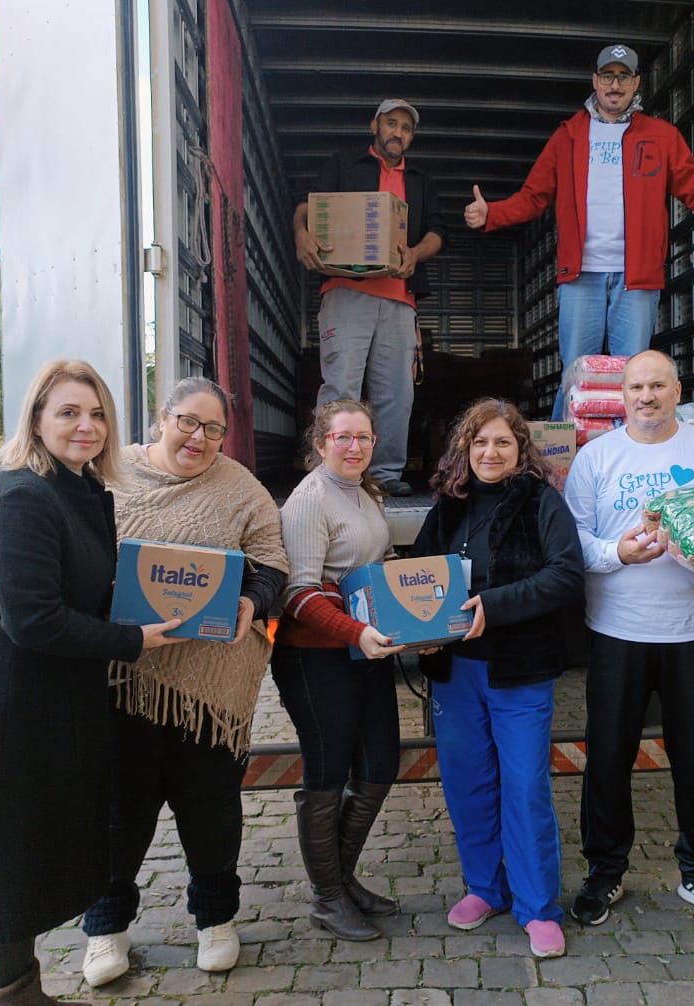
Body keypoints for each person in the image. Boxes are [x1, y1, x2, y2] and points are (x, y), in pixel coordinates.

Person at [0, 360, 183, 1006]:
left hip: (62, 700)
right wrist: (136, 640)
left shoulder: (85, 491)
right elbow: (33, 620)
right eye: (69, 412)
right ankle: (12, 995)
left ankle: (24, 990)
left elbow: (94, 592)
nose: (86, 426)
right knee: (8, 857)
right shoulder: (20, 496)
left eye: (97, 413)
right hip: (13, 707)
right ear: (37, 419)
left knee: (41, 845)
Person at [79, 377, 289, 987]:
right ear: (162, 418)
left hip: (210, 683)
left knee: (212, 809)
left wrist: (254, 601)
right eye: (188, 422)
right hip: (126, 676)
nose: (199, 438)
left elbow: (272, 561)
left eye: (214, 428)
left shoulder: (241, 488)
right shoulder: (108, 475)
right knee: (121, 810)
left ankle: (216, 921)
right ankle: (105, 929)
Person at [464, 44, 694, 419]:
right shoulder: (569, 136)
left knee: (635, 377)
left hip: (637, 278)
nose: (614, 84)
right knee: (575, 377)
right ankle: (564, 467)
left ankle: (629, 457)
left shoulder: (661, 136)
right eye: (607, 76)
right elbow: (534, 196)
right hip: (581, 276)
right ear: (595, 81)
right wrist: (492, 214)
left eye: (623, 76)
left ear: (636, 83)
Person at [562, 349, 694, 929]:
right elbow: (574, 545)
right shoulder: (596, 457)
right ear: (621, 395)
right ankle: (605, 871)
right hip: (617, 632)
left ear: (677, 390)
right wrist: (618, 553)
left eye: (658, 386)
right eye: (636, 387)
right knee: (608, 759)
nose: (646, 396)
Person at [410, 399, 584, 959]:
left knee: (526, 787)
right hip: (456, 672)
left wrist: (496, 603)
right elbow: (414, 576)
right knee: (467, 785)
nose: (490, 452)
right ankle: (486, 888)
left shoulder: (542, 501)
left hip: (520, 672)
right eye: (479, 442)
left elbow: (565, 574)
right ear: (465, 448)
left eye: (502, 442)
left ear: (520, 449)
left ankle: (538, 906)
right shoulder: (448, 506)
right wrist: (417, 630)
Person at [271, 399, 405, 941]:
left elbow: (374, 566)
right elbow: (298, 593)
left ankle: (341, 878)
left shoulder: (364, 492)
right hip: (315, 657)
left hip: (363, 651)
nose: (354, 447)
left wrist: (414, 605)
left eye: (364, 438)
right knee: (326, 776)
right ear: (321, 442)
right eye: (343, 438)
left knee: (379, 767)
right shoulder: (309, 501)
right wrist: (357, 632)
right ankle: (328, 897)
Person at [293, 99, 447, 496]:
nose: (398, 132)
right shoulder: (344, 164)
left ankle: (384, 474)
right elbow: (307, 208)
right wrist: (301, 235)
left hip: (399, 298)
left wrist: (415, 254)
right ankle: (330, 472)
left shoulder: (420, 179)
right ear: (374, 126)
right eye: (391, 123)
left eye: (406, 128)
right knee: (341, 385)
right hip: (346, 292)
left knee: (397, 390)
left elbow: (436, 233)